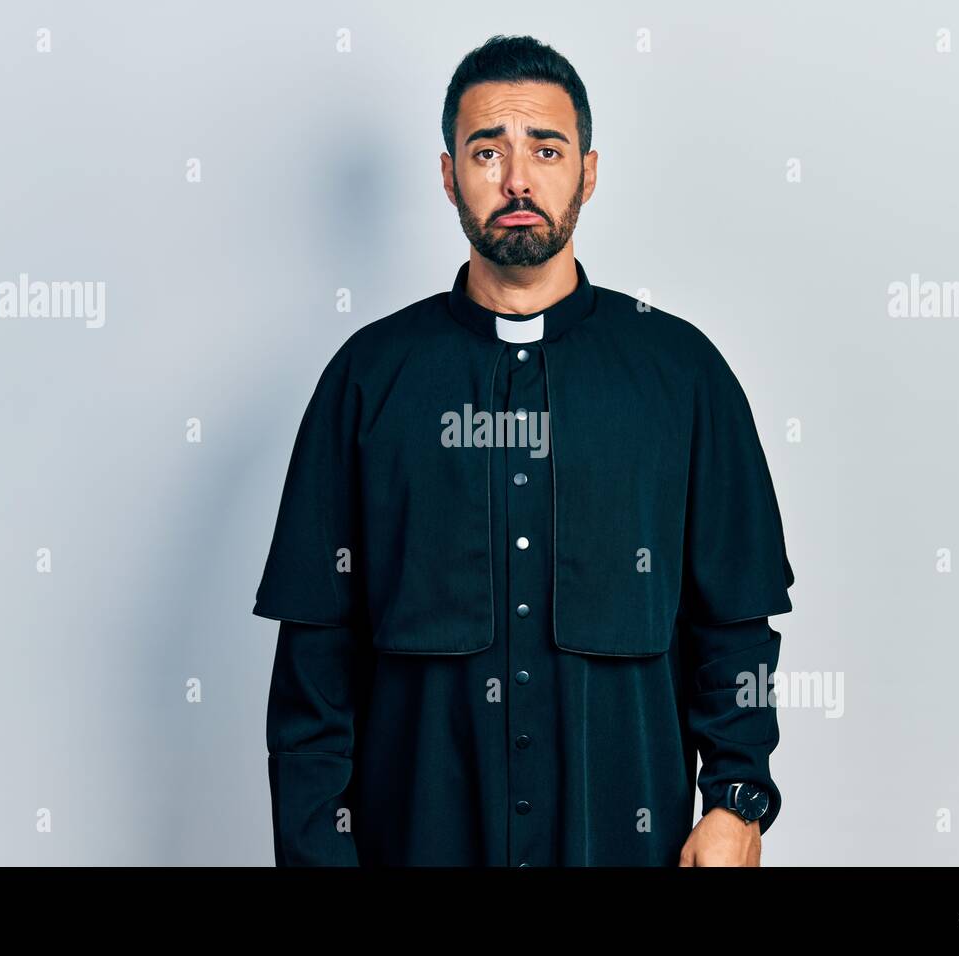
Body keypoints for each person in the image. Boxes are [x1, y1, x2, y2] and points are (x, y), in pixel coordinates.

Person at [254, 34, 796, 867]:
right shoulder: (368, 380)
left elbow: (736, 625)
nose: (517, 179)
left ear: (587, 170)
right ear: (448, 176)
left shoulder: (681, 375)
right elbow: (314, 665)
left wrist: (736, 802)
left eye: (546, 149)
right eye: (486, 151)